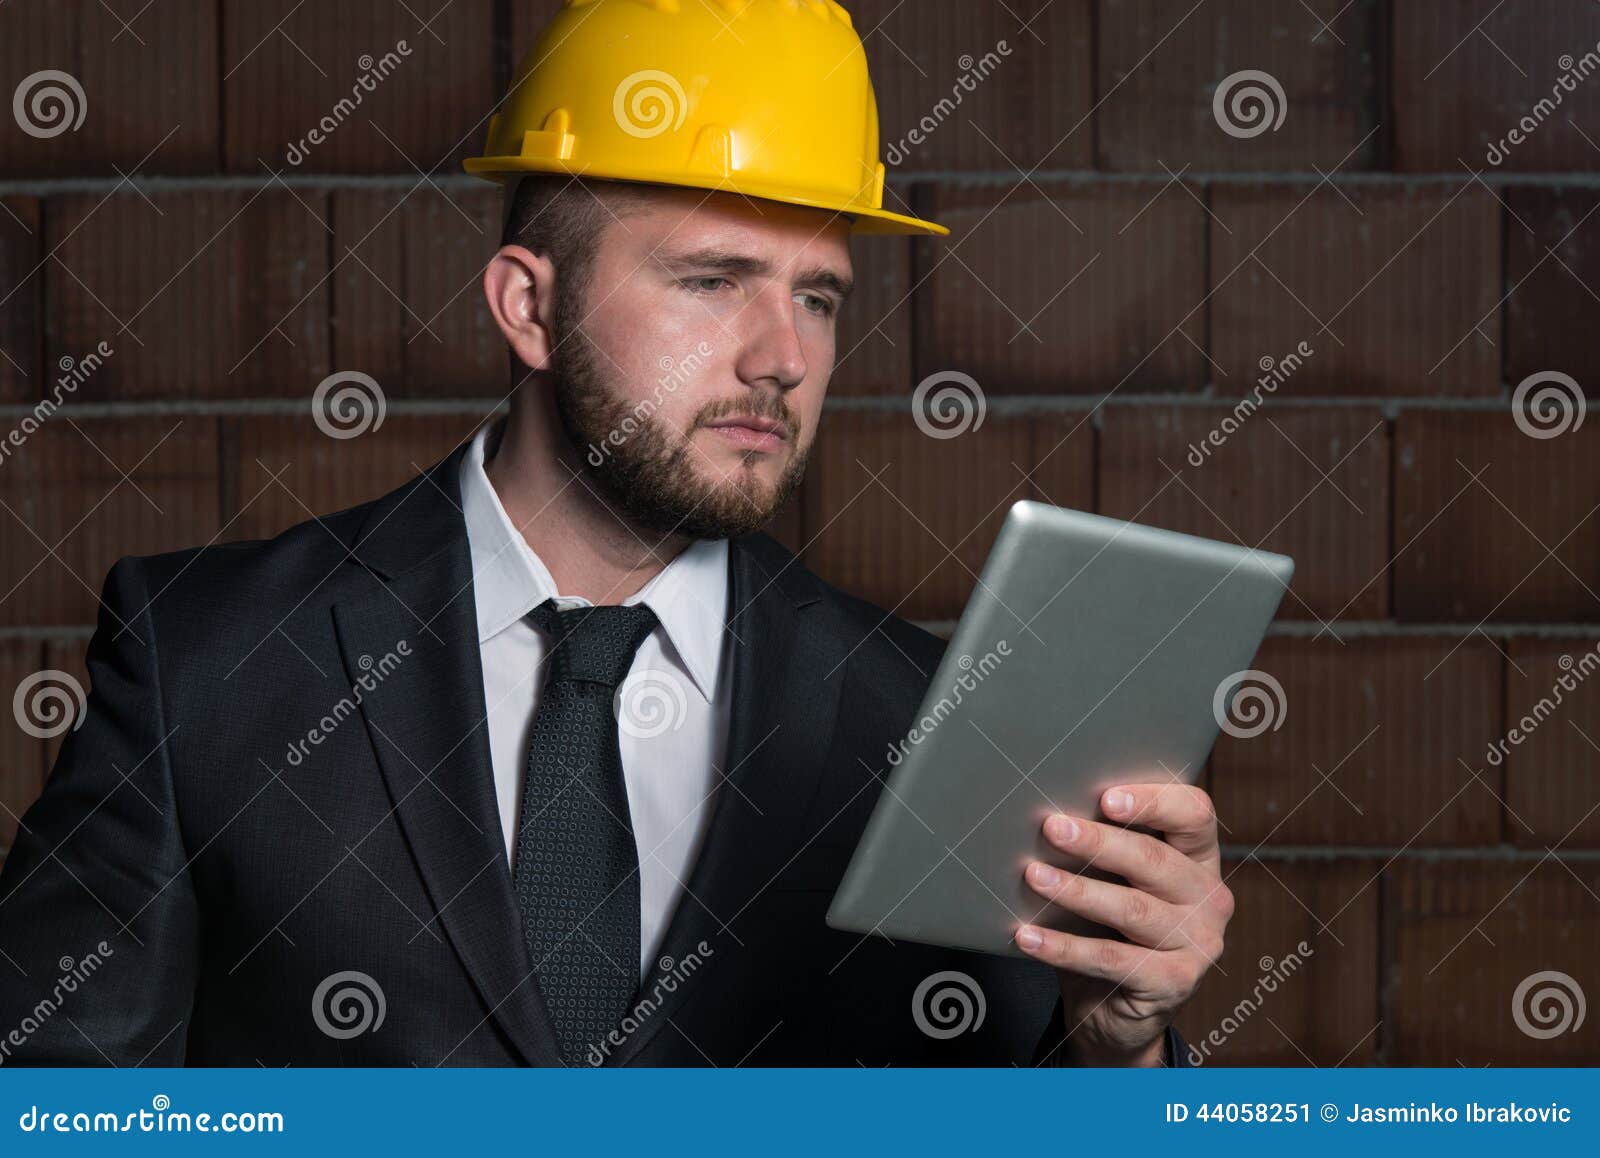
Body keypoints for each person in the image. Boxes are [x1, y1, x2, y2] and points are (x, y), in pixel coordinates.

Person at [0, 0, 1231, 1067]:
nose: (782, 357)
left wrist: (1113, 1045)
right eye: (711, 281)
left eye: (817, 297)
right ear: (528, 307)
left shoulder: (926, 719)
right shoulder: (209, 661)